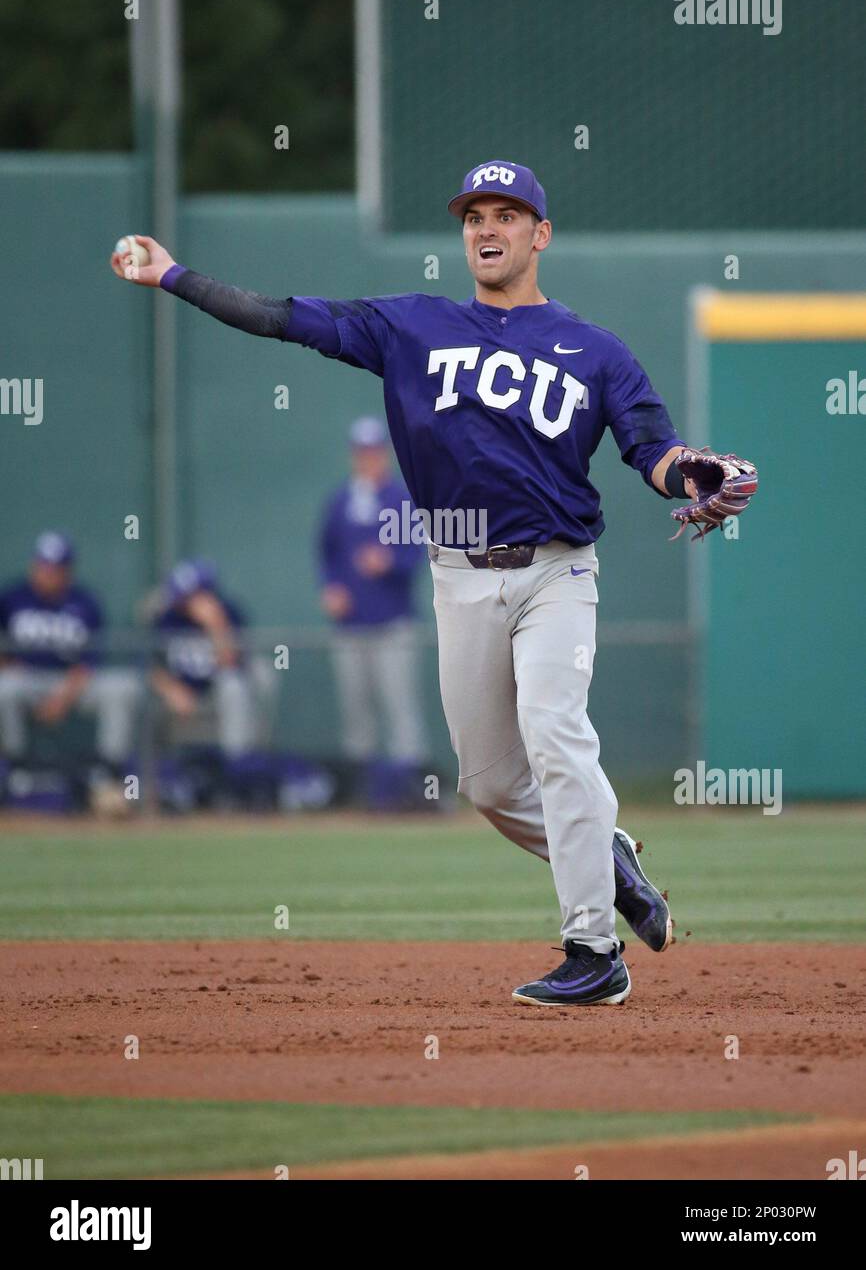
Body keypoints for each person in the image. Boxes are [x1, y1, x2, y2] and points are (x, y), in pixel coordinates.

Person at [111, 158, 756, 1006]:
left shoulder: (596, 352)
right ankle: (608, 857)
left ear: (540, 234)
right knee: (488, 786)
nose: (486, 229)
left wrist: (692, 471)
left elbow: (654, 452)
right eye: (474, 216)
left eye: (507, 214)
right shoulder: (410, 326)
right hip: (459, 576)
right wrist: (174, 276)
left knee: (556, 734)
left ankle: (593, 952)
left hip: (558, 572)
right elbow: (278, 319)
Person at [318, 416, 427, 803]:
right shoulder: (341, 500)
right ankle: (360, 792)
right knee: (355, 710)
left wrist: (390, 562)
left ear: (386, 454)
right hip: (350, 625)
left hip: (392, 622)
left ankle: (408, 790)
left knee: (399, 706)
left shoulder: (400, 498)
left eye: (374, 452)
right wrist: (330, 587)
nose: (368, 459)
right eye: (361, 452)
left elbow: (419, 556)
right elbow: (326, 552)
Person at [0, 532, 139, 773]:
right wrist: (8, 665)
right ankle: (14, 766)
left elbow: (90, 660)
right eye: (43, 566)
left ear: (68, 571)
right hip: (27, 680)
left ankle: (110, 771)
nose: (48, 574)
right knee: (5, 688)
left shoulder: (86, 602)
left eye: (55, 568)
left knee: (123, 687)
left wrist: (61, 700)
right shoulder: (12, 598)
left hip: (72, 682)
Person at [151, 559, 257, 759]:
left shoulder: (230, 613)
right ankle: (142, 771)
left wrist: (215, 624)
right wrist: (170, 689)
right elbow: (149, 664)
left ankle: (237, 763)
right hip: (180, 693)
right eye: (182, 598)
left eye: (191, 597)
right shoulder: (167, 618)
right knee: (138, 695)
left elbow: (230, 663)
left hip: (215, 693)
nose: (185, 604)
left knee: (233, 686)